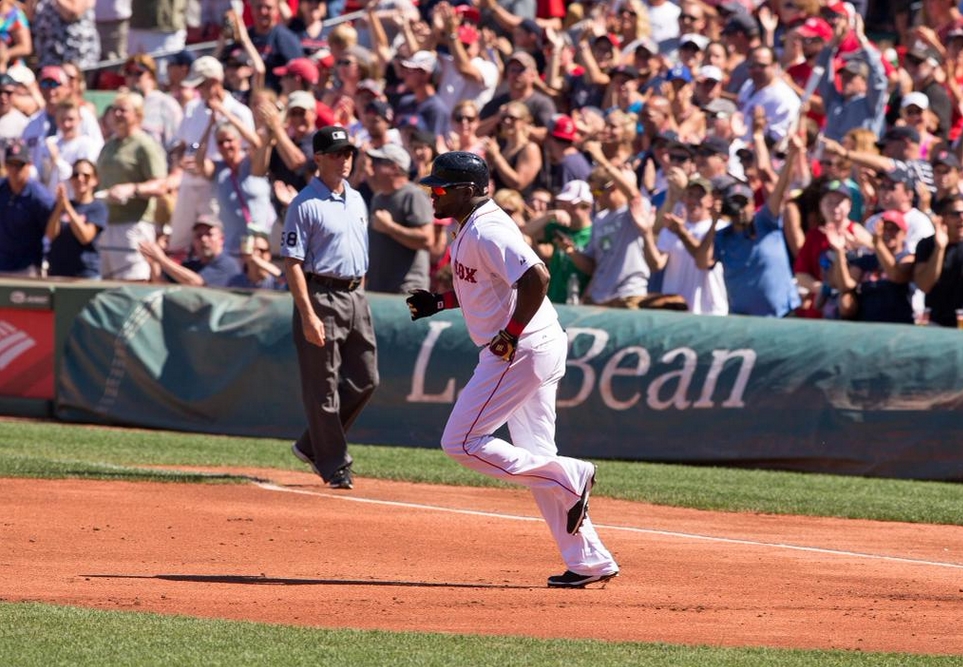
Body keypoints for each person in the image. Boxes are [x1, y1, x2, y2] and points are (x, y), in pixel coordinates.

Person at [405, 151, 619, 588]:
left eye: (440, 188)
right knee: (536, 454)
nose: (433, 194)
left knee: (461, 443)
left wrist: (511, 333)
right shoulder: (470, 225)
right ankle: (590, 560)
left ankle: (570, 475)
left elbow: (536, 277)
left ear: (467, 191)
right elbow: (488, 287)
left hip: (520, 349)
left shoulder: (489, 227)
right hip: (530, 346)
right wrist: (441, 302)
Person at [283, 125, 379, 490]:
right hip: (320, 293)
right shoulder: (304, 203)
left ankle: (312, 444)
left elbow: (360, 255)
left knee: (367, 379)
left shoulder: (356, 199)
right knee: (322, 386)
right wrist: (307, 313)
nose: (344, 160)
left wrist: (361, 295)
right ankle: (334, 463)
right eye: (337, 154)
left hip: (355, 294)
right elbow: (292, 261)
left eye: (348, 153)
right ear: (318, 158)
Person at [686, 140, 803, 318]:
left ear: (753, 204)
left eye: (744, 202)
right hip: (743, 322)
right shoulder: (722, 236)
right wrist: (713, 222)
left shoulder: (765, 221)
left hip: (783, 315)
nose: (740, 208)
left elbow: (779, 189)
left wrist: (793, 155)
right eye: (735, 202)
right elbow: (702, 262)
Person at [96, 91, 169, 281]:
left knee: (133, 283)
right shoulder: (109, 145)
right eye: (114, 110)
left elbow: (161, 185)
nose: (117, 114)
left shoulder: (144, 144)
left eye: (123, 110)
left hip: (133, 224)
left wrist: (133, 189)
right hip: (107, 223)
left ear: (137, 115)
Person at [365, 143, 434, 293]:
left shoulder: (413, 195)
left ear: (395, 168)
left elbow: (427, 239)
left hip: (406, 290)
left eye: (377, 163)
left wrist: (389, 227)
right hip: (378, 289)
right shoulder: (378, 197)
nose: (372, 168)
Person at [45, 158, 108, 278]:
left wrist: (67, 207)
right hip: (57, 271)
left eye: (86, 175)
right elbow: (51, 234)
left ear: (95, 180)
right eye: (75, 175)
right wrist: (59, 207)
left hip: (84, 273)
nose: (80, 179)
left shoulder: (97, 207)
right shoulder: (61, 205)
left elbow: (85, 237)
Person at [0, 140, 55, 276]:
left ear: (29, 165)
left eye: (20, 165)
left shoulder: (40, 197)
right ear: (5, 166)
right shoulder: (2, 188)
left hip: (27, 267)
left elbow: (52, 231)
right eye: (11, 164)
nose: (15, 170)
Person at [913, 194, 963, 327]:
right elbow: (924, 285)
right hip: (937, 323)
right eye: (956, 214)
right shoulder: (927, 245)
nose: (962, 218)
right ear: (942, 219)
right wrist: (939, 248)